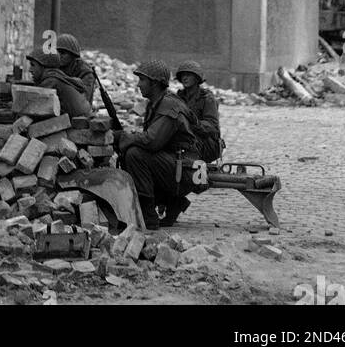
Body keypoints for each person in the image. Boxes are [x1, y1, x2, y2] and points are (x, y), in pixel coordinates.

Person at [115, 59, 200, 230]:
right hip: (176, 164)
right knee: (130, 154)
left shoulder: (168, 105)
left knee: (135, 155)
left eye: (142, 80)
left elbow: (152, 142)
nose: (139, 85)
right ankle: (172, 202)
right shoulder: (155, 103)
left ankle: (148, 216)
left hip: (187, 170)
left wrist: (126, 138)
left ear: (154, 83)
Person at [174, 59, 223, 164]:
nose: (184, 78)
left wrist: (191, 124)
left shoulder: (207, 99)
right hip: (186, 139)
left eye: (188, 75)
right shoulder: (179, 97)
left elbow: (212, 126)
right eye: (182, 75)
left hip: (207, 143)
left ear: (197, 78)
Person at [26, 52, 92, 119]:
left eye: (33, 65)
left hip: (79, 122)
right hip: (82, 118)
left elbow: (35, 106)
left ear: (43, 66)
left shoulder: (51, 80)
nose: (30, 70)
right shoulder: (56, 76)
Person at [55, 33, 97, 109]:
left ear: (72, 55)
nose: (59, 56)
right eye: (57, 52)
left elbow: (83, 101)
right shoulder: (55, 67)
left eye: (63, 53)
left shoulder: (85, 72)